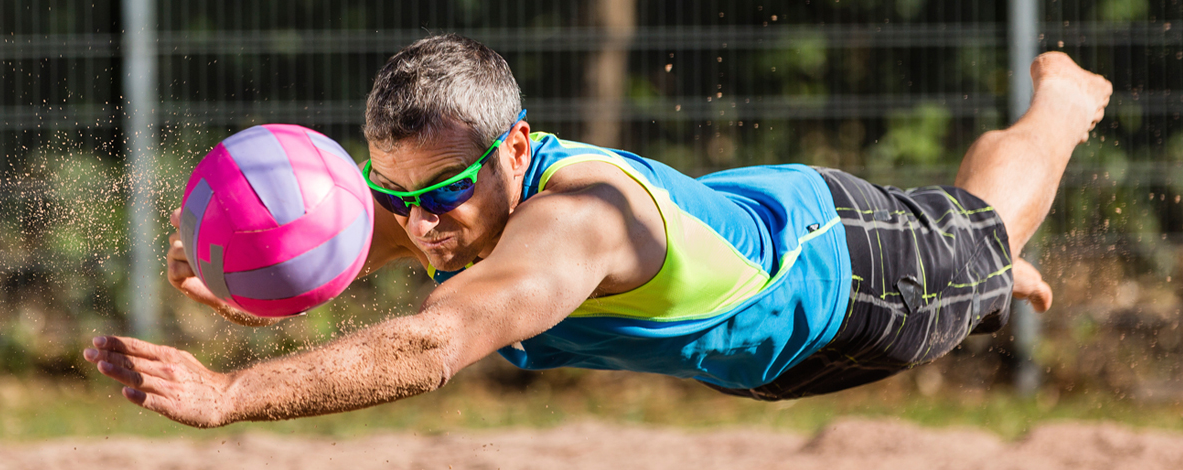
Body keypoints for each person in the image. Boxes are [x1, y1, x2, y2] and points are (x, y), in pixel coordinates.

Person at [83, 34, 1111, 427]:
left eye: (444, 189)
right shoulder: (452, 202)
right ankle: (989, 268)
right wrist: (252, 283)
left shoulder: (568, 227)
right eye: (395, 190)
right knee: (975, 249)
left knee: (979, 228)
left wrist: (231, 390)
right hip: (750, 219)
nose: (422, 219)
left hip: (850, 288)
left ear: (518, 144)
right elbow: (374, 243)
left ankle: (1059, 102)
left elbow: (433, 341)